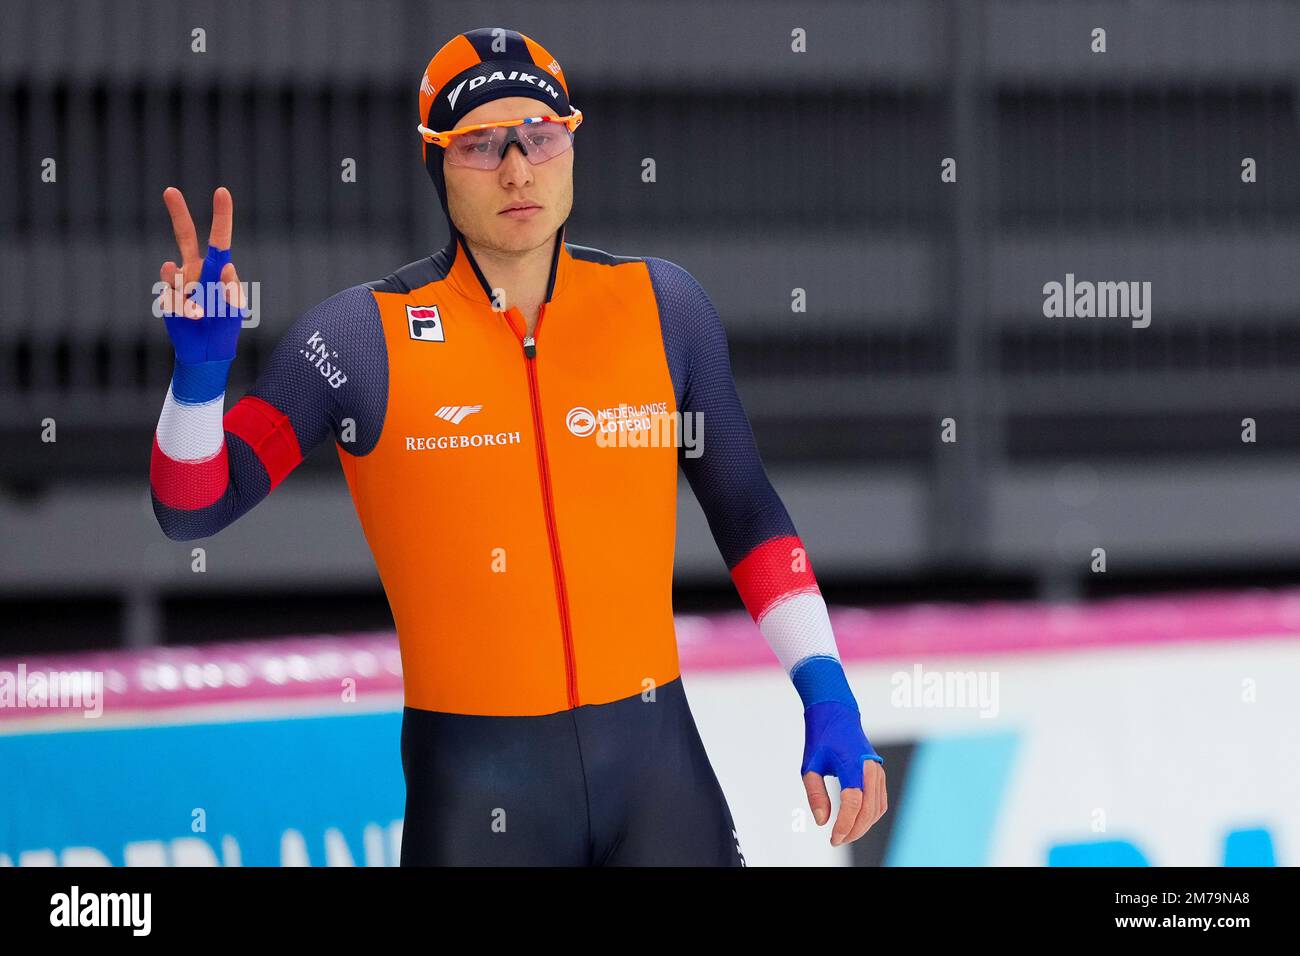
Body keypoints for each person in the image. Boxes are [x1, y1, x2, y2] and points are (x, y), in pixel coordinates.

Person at [150, 26, 886, 866]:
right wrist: (202, 375)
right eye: (480, 145)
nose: (517, 168)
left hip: (659, 785)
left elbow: (749, 513)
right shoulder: (359, 339)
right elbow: (193, 505)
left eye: (538, 136)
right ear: (436, 161)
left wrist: (825, 689)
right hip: (478, 795)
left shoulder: (664, 308)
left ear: (571, 141)